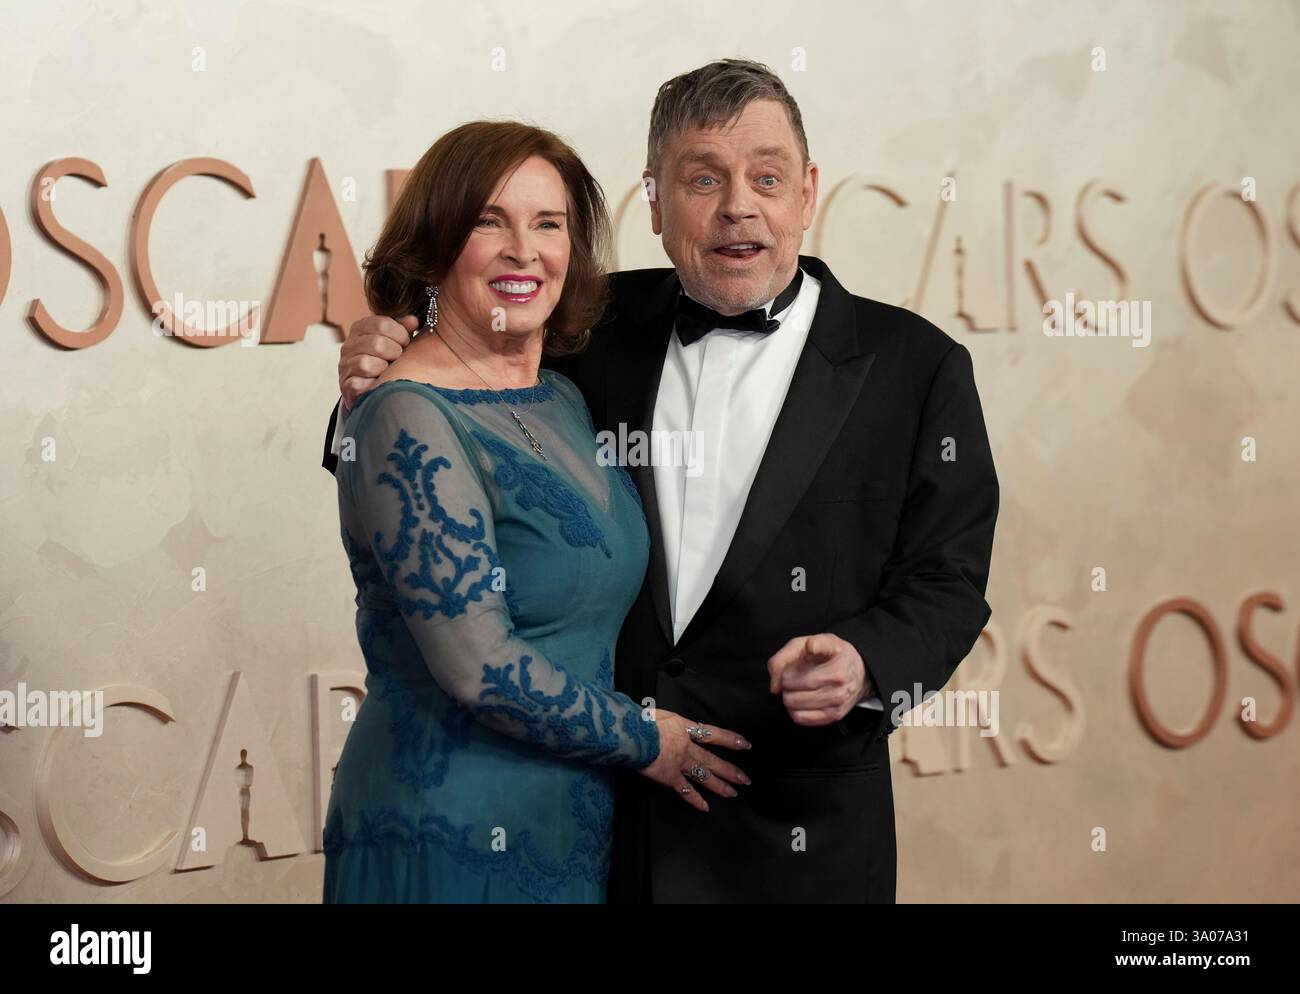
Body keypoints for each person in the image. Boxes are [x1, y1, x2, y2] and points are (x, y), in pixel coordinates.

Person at [325, 60, 999, 903]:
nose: (737, 206)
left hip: (794, 830)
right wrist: (370, 361)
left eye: (766, 177)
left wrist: (868, 662)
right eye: (703, 178)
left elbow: (949, 581)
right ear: (653, 199)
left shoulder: (917, 366)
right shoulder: (586, 328)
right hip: (615, 823)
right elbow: (448, 389)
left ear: (808, 192)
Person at [322, 120, 750, 904]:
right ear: (435, 244)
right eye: (490, 221)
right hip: (447, 831)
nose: (525, 250)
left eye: (548, 223)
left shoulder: (559, 393)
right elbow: (478, 666)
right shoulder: (404, 413)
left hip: (575, 825)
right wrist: (646, 738)